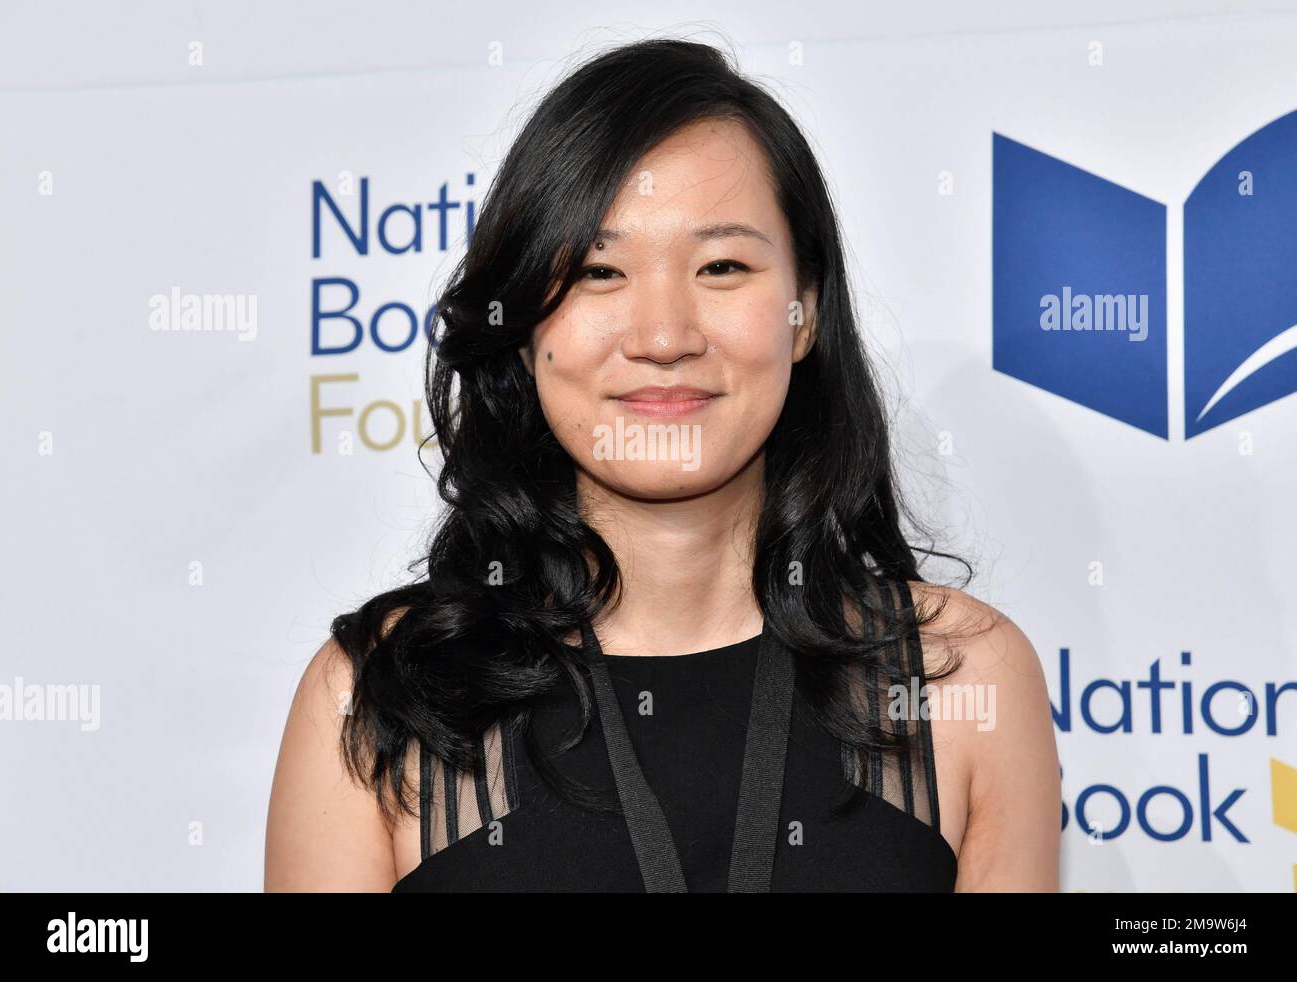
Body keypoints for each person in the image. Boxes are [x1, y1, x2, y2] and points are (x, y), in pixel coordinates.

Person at [265, 37, 1060, 892]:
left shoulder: (961, 681)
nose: (663, 337)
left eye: (722, 266)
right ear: (526, 329)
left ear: (804, 314)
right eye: (599, 271)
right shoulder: (386, 701)